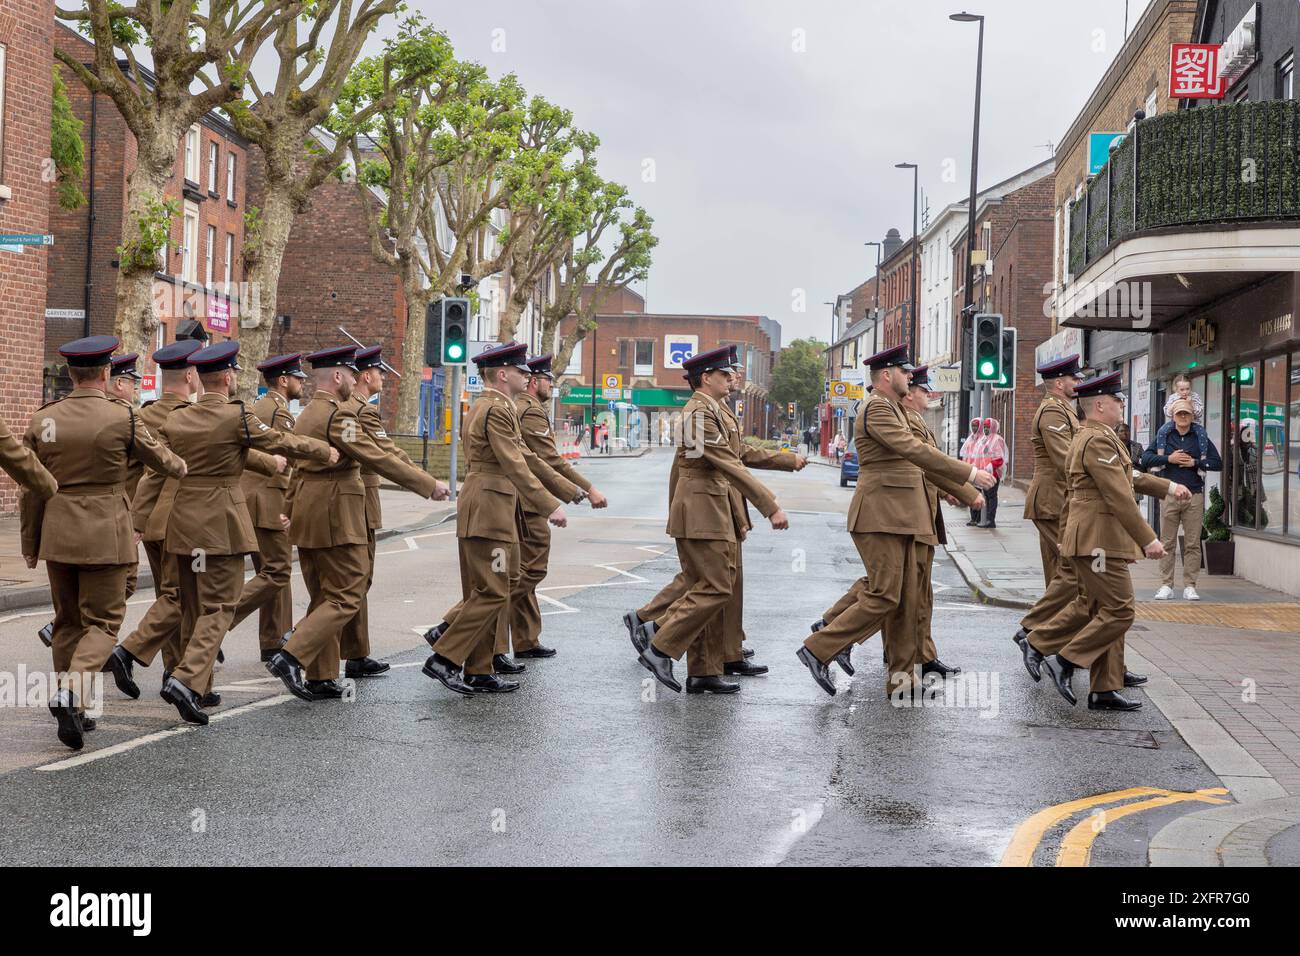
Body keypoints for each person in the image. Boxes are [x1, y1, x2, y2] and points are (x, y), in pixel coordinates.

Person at [140, 342, 335, 725]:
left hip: (181, 525)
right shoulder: (237, 415)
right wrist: (322, 452)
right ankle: (184, 679)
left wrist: (139, 519)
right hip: (220, 525)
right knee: (220, 607)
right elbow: (281, 442)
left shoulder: (176, 419)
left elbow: (156, 464)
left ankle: (196, 683)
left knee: (195, 607)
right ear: (229, 378)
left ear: (199, 378)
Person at [796, 345, 995, 698]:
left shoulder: (894, 410)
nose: (911, 377)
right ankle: (818, 647)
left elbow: (919, 462)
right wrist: (969, 473)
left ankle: (903, 682)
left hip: (899, 516)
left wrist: (958, 487)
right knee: (885, 595)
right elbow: (915, 451)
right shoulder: (877, 409)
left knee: (904, 599)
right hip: (880, 516)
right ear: (887, 375)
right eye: (905, 372)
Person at [19, 336, 187, 750]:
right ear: (106, 372)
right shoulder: (123, 416)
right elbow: (162, 460)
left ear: (70, 374)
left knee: (67, 622)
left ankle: (71, 705)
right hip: (105, 530)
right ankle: (72, 693)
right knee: (103, 623)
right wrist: (181, 465)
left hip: (58, 531)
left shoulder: (44, 419)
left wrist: (30, 542)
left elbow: (29, 488)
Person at [268, 345, 446, 702]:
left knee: (323, 596)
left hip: (311, 514)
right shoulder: (340, 417)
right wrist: (428, 485)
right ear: (337, 376)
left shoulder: (306, 414)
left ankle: (321, 676)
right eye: (351, 374)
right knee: (348, 593)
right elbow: (376, 456)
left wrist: (289, 508)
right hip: (336, 515)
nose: (355, 379)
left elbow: (299, 467)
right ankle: (290, 655)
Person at [626, 352, 802, 679]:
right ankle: (659, 641)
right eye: (725, 374)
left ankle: (709, 668)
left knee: (723, 586)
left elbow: (739, 453)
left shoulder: (715, 410)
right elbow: (728, 462)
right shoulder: (697, 415)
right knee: (714, 586)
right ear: (706, 377)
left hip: (716, 507)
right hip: (701, 509)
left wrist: (784, 459)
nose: (732, 377)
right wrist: (770, 506)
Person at [1026, 371, 1190, 711]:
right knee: (1119, 609)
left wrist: (1168, 488)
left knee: (1099, 607)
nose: (1122, 404)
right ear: (1100, 404)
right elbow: (1118, 495)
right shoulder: (1096, 439)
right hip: (1097, 540)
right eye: (1117, 400)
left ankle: (1103, 687)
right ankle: (1064, 660)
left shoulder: (1096, 436)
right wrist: (1148, 539)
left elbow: (1119, 479)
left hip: (1094, 538)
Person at [422, 342, 572, 696]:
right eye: (522, 371)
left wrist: (565, 491)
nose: (528, 376)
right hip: (490, 509)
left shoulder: (492, 407)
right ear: (503, 374)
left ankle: (478, 669)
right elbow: (515, 463)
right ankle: (444, 656)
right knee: (493, 588)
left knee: (502, 583)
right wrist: (549, 505)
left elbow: (526, 457)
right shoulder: (496, 410)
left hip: (494, 508)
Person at [335, 346, 450, 679]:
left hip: (356, 500)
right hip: (359, 501)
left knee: (356, 581)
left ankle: (356, 653)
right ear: (367, 376)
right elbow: (387, 454)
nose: (384, 378)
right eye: (380, 372)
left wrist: (423, 476)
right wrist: (426, 483)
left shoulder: (351, 409)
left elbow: (393, 451)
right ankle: (300, 646)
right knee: (356, 580)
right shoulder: (361, 412)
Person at [508, 354, 607, 657]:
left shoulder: (523, 408)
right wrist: (584, 490)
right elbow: (546, 461)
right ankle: (467, 619)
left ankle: (525, 641)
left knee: (523, 570)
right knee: (532, 569)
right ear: (535, 381)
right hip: (529, 500)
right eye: (549, 380)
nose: (552, 386)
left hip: (522, 497)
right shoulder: (531, 412)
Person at [228, 353, 308, 662]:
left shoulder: (260, 406)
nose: (303, 382)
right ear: (284, 380)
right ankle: (218, 619)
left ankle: (274, 641)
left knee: (273, 571)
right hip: (267, 499)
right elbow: (287, 452)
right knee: (277, 570)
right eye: (298, 377)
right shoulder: (278, 411)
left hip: (254, 497)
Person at [1141, 398, 1222, 601]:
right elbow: (1145, 459)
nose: (1183, 417)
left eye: (1186, 413)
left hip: (1194, 495)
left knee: (1193, 543)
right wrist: (1170, 459)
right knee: (1166, 542)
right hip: (1169, 494)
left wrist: (1196, 462)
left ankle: (1190, 586)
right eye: (1180, 414)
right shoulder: (1164, 436)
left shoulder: (1200, 437)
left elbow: (1217, 462)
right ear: (1173, 416)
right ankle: (1166, 585)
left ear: (1192, 416)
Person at [978, 417, 1007, 528]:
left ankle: (991, 520)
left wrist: (990, 466)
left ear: (993, 428)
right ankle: (988, 519)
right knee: (987, 496)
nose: (985, 429)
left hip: (993, 473)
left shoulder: (997, 439)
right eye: (984, 427)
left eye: (988, 427)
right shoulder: (985, 439)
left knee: (991, 496)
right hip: (985, 471)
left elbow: (1000, 458)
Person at [959, 419, 984, 526]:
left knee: (977, 494)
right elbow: (965, 453)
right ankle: (973, 518)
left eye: (976, 426)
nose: (974, 428)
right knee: (970, 494)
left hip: (978, 471)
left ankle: (978, 518)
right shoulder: (970, 439)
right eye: (973, 426)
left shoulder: (983, 439)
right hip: (970, 471)